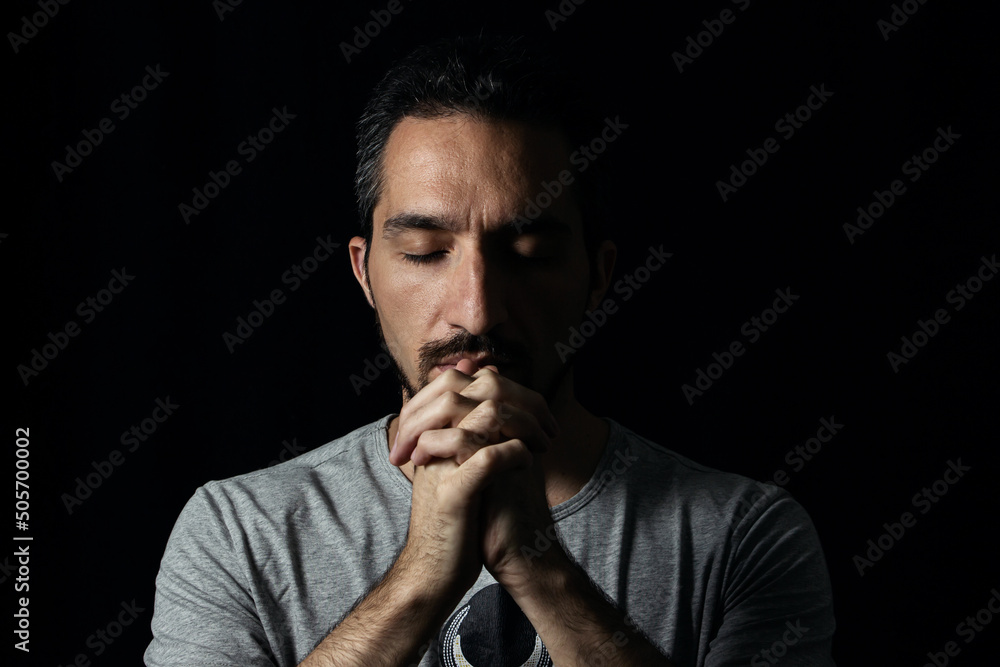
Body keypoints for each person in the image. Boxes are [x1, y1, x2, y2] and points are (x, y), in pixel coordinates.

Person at [145, 35, 836, 667]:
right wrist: (418, 578)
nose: (476, 310)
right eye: (425, 252)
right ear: (365, 274)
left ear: (597, 276)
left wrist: (540, 568)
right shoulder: (238, 533)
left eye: (528, 254)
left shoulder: (744, 536)